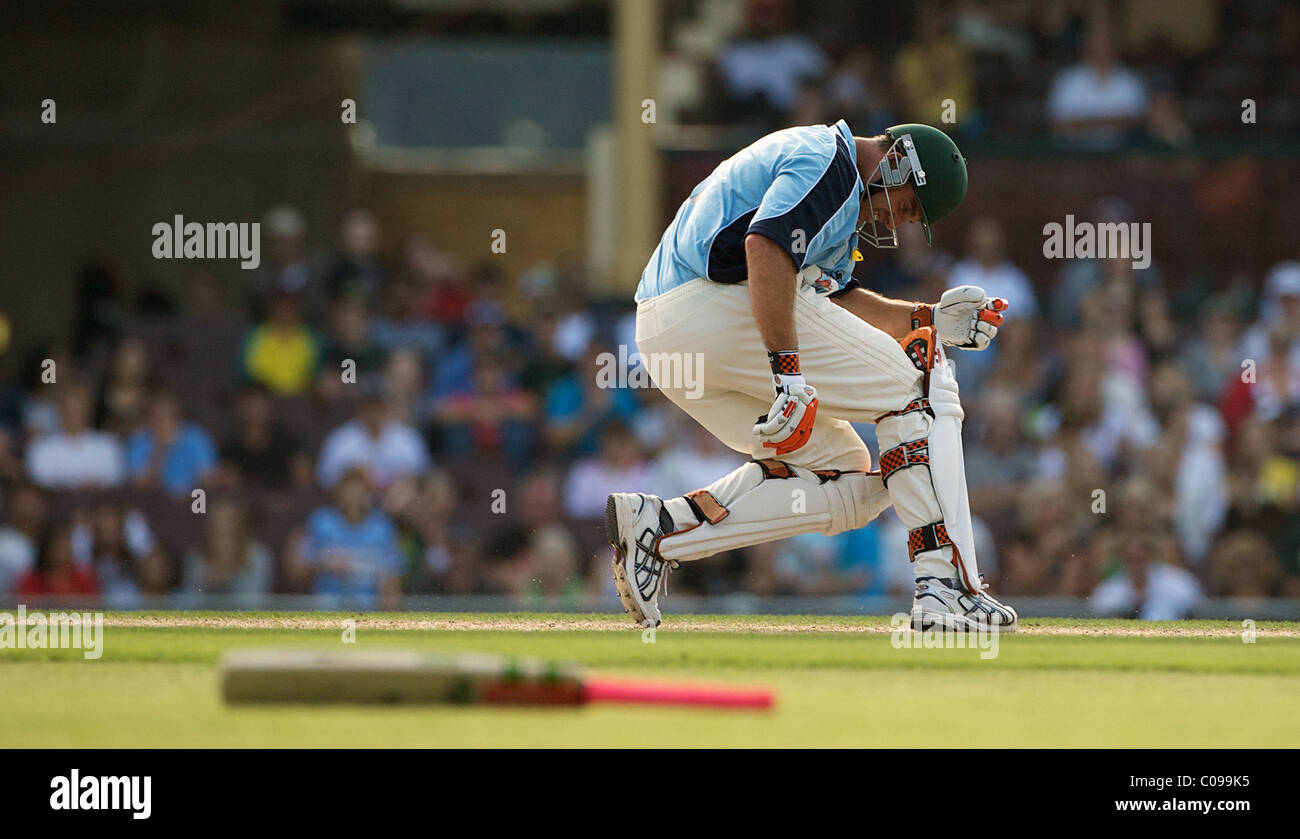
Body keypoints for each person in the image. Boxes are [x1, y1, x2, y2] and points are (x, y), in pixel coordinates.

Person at [606, 120, 1017, 631]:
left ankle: (662, 530)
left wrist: (926, 317)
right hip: (707, 305)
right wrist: (789, 374)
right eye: (909, 206)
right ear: (899, 160)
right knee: (923, 378)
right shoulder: (831, 159)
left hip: (671, 338)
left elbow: (834, 300)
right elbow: (765, 249)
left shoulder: (836, 195)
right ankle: (946, 587)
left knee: (842, 475)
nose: (900, 221)